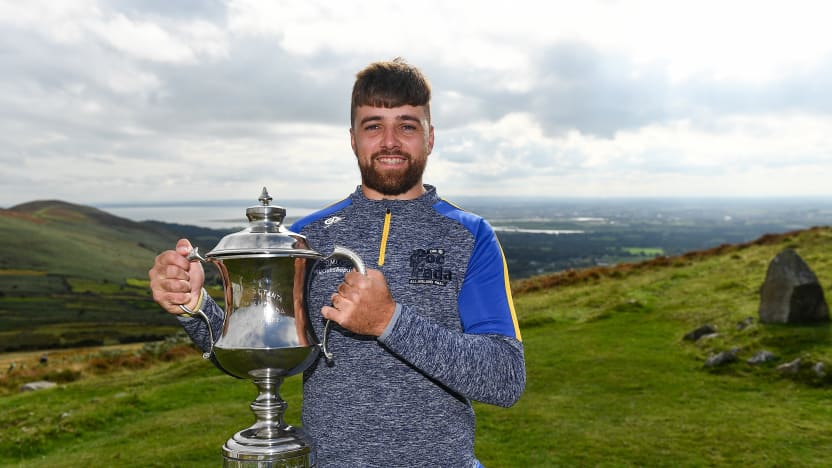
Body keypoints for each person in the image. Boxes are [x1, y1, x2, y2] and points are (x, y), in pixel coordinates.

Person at [149, 58, 525, 467]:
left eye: (407, 125)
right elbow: (263, 351)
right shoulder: (308, 239)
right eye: (373, 125)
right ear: (352, 139)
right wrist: (193, 304)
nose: (390, 141)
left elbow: (504, 378)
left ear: (430, 138)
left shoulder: (471, 235)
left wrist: (388, 321)